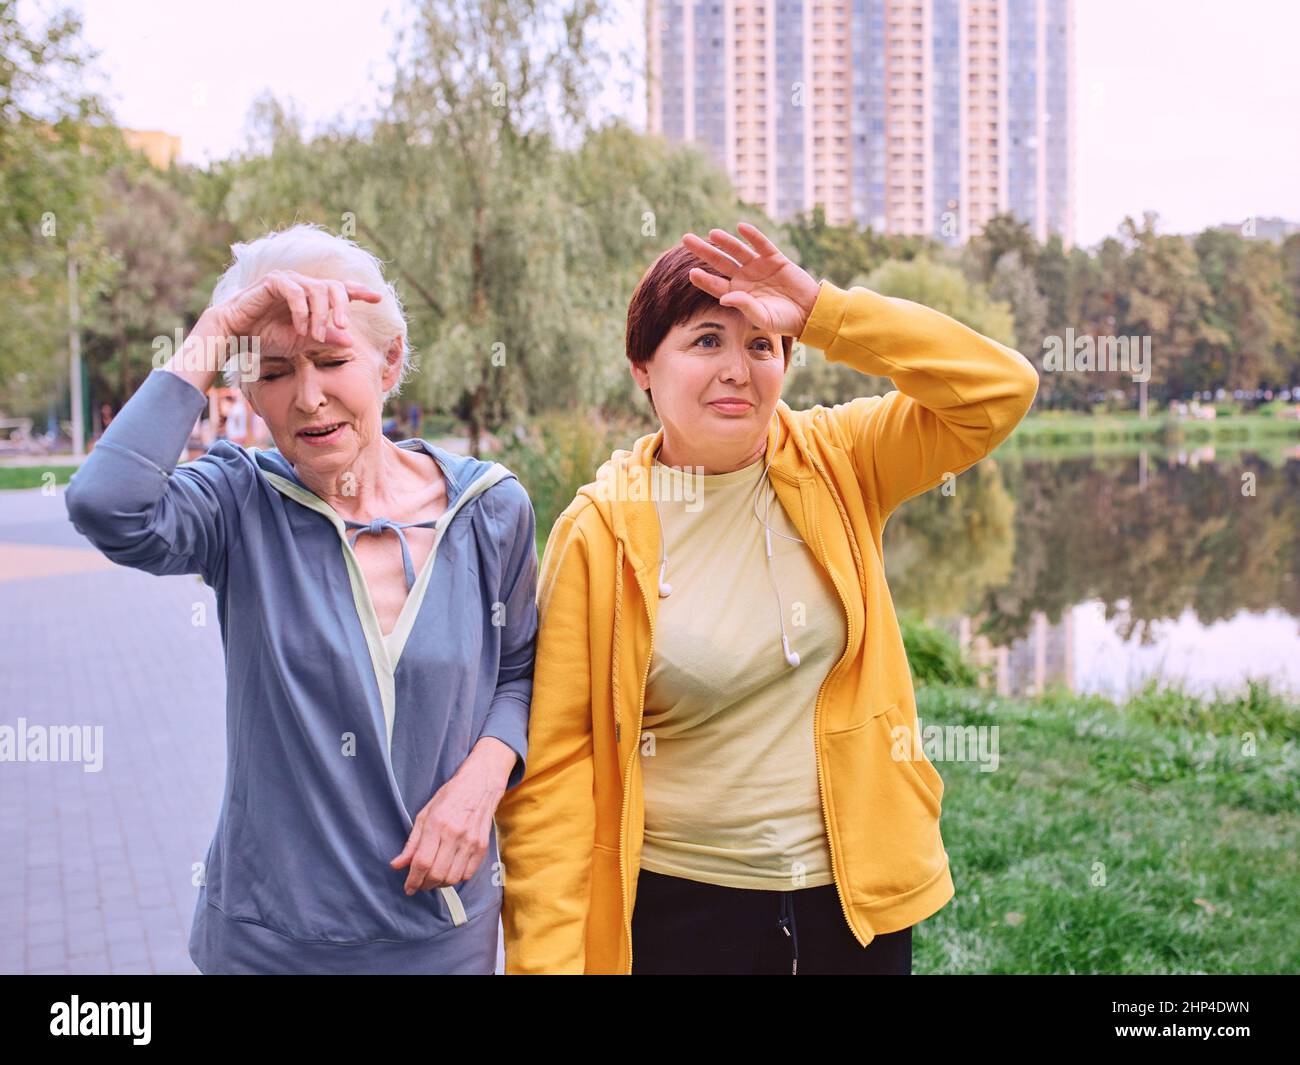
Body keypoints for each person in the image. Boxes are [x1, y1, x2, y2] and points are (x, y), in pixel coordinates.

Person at [495, 222, 1038, 974]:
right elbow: (555, 776)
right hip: (683, 911)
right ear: (642, 368)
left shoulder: (840, 458)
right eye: (706, 340)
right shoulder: (597, 532)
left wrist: (822, 309)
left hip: (852, 909)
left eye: (761, 345)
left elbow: (998, 389)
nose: (737, 370)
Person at [65, 223, 539, 974]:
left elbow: (519, 670)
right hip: (268, 948)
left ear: (390, 362)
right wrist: (218, 330)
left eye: (331, 359)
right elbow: (105, 505)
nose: (309, 397)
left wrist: (483, 780)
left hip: (440, 939)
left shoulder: (490, 508)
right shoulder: (237, 501)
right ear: (247, 385)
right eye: (276, 370)